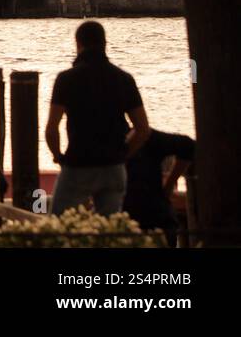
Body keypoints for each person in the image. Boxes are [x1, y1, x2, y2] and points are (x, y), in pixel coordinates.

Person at [46, 20, 150, 215]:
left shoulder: (66, 79)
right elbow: (143, 129)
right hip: (113, 167)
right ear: (105, 44)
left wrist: (59, 156)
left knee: (60, 225)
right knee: (109, 230)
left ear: (78, 44)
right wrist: (123, 153)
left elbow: (51, 130)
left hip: (78, 163)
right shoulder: (124, 78)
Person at [123, 129, 195, 246]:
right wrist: (169, 185)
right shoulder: (151, 138)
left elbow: (188, 146)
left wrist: (169, 185)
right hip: (156, 220)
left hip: (153, 220)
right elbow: (188, 145)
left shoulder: (149, 139)